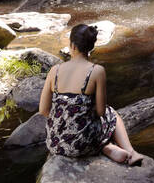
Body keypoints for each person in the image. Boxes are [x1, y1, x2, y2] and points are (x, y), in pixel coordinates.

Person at [38, 23, 144, 165]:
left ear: (72, 46)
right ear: (91, 47)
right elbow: (100, 111)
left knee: (87, 122)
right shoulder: (96, 71)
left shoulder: (54, 71)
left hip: (57, 144)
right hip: (84, 144)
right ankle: (128, 151)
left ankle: (107, 147)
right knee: (111, 113)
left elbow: (43, 110)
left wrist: (64, 118)